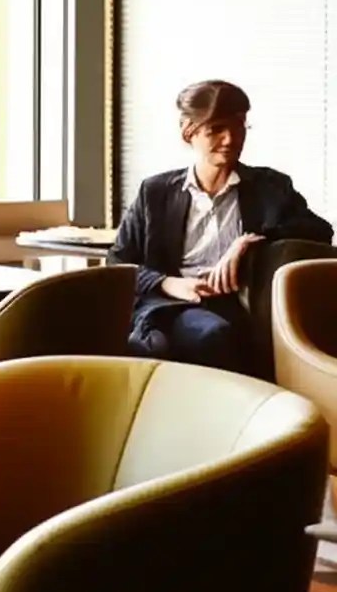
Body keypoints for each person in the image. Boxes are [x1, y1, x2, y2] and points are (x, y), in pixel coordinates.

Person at [108, 79, 332, 373]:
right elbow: (118, 263)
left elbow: (319, 231)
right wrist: (168, 283)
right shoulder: (156, 193)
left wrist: (249, 242)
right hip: (172, 304)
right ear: (189, 132)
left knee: (223, 335)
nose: (230, 138)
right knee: (194, 336)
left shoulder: (269, 186)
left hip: (239, 303)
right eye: (215, 129)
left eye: (238, 125)